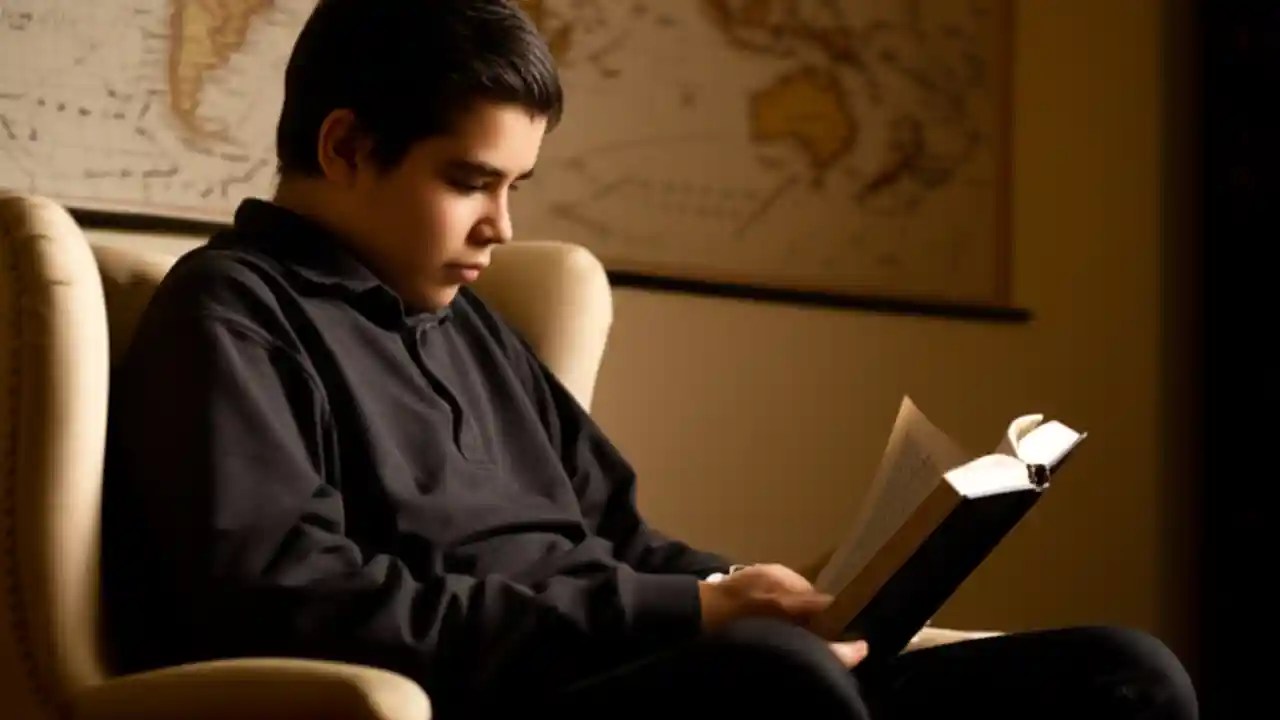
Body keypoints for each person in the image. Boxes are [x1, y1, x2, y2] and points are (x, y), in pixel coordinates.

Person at [101, 1, 1198, 718]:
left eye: (514, 188)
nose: (500, 228)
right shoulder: (234, 312)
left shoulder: (469, 321)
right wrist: (693, 619)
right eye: (469, 182)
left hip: (655, 666)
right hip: (493, 697)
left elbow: (621, 541)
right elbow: (293, 604)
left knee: (1122, 673)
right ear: (344, 147)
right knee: (772, 681)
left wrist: (765, 593)